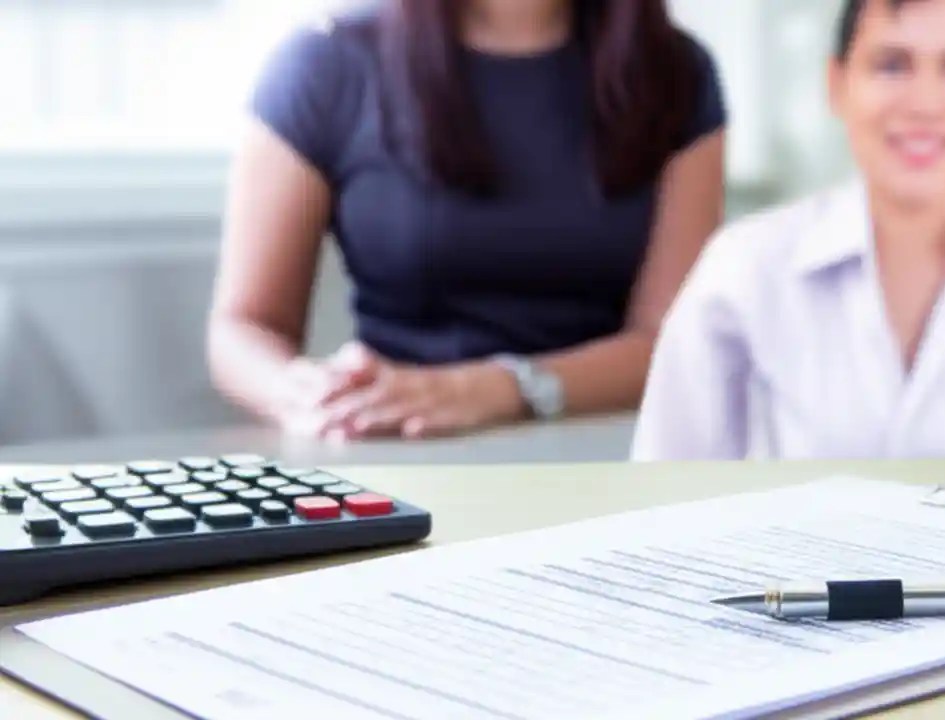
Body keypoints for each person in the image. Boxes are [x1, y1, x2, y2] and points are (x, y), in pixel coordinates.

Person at [631, 0, 945, 460]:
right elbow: (662, 497)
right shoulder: (745, 269)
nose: (925, 102)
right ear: (837, 85)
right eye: (891, 64)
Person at [208, 0, 726, 441]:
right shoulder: (324, 64)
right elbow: (243, 328)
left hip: (608, 442)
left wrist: (499, 388)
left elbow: (668, 340)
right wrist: (305, 392)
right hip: (398, 443)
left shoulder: (677, 73)